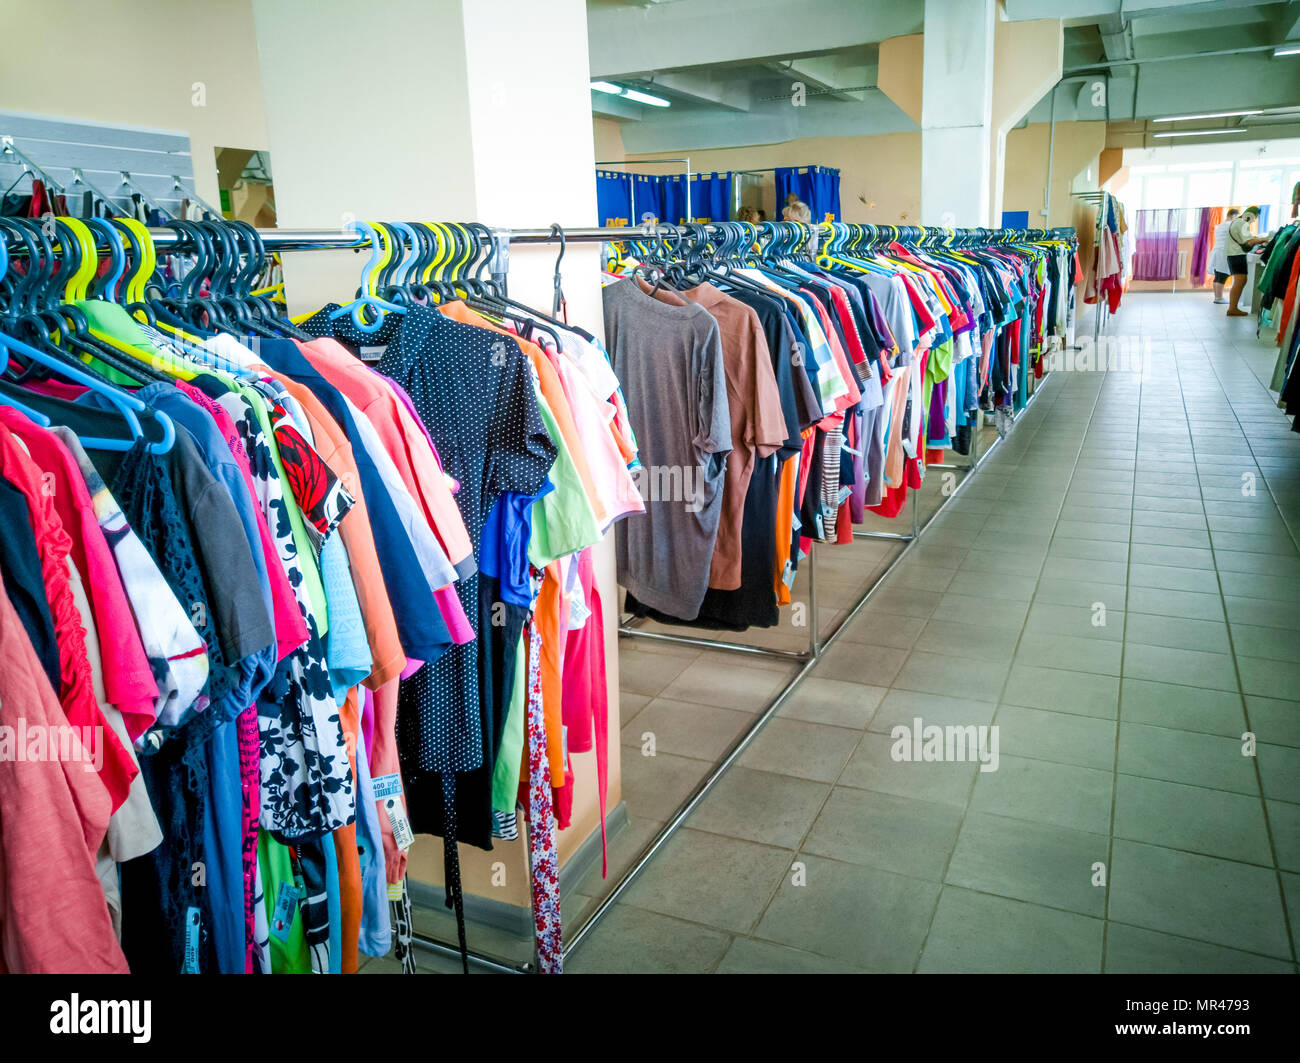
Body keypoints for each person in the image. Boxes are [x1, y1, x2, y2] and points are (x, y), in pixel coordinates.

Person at [1224, 205, 1267, 317]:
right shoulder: (1242, 223)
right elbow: (1248, 242)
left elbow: (1245, 239)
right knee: (1240, 280)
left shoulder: (1237, 221)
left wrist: (1255, 239)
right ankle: (1232, 308)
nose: (1254, 220)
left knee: (1240, 280)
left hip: (1233, 254)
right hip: (1237, 254)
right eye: (1255, 217)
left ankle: (1233, 307)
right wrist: (1263, 239)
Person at [1209, 208, 1238, 304]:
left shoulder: (1220, 226)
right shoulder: (1230, 225)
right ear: (1233, 216)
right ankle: (1219, 298)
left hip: (1217, 251)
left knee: (1217, 275)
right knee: (1223, 275)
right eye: (1236, 217)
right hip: (1224, 252)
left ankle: (1217, 297)